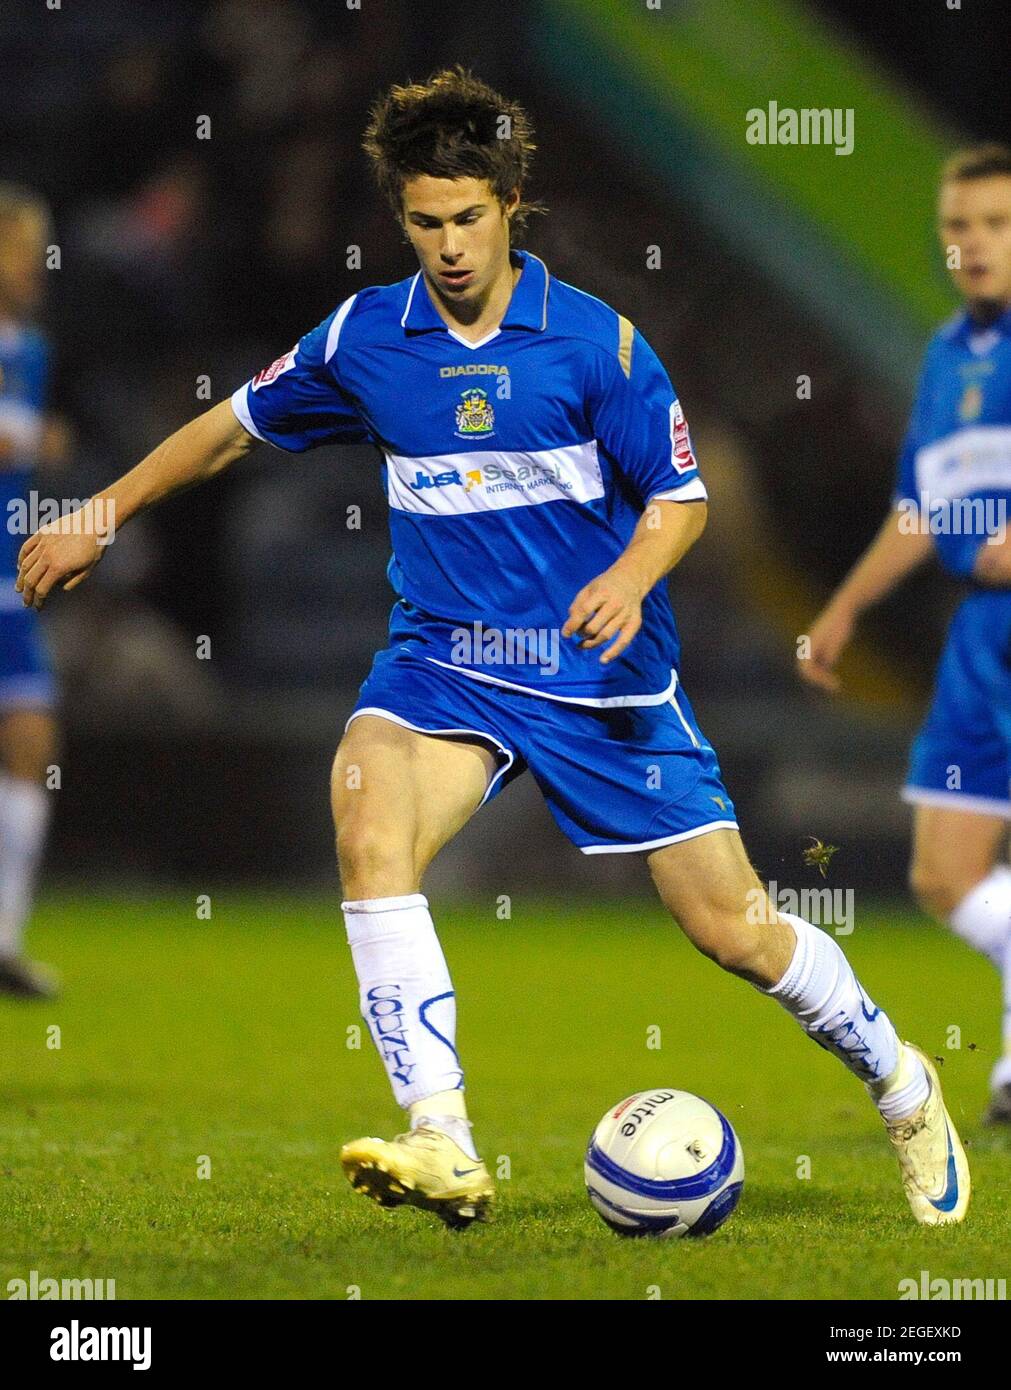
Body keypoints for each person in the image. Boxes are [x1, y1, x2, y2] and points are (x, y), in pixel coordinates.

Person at [17, 69, 968, 1227]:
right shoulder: (368, 336)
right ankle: (445, 1138)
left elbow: (683, 497)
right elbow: (231, 429)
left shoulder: (594, 346)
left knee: (737, 930)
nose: (450, 244)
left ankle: (902, 1082)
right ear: (399, 216)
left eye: (470, 217)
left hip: (596, 677)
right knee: (367, 824)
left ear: (512, 205)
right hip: (443, 664)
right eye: (425, 221)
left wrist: (627, 574)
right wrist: (101, 509)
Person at [801, 144, 1011, 1126]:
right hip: (983, 635)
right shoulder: (945, 355)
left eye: (997, 224)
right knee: (943, 873)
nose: (973, 244)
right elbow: (923, 510)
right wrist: (845, 608)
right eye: (958, 227)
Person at [0, 185, 60, 999]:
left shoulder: (33, 351)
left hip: (7, 583)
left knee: (32, 744)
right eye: (24, 248)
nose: (37, 265)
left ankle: (4, 939)